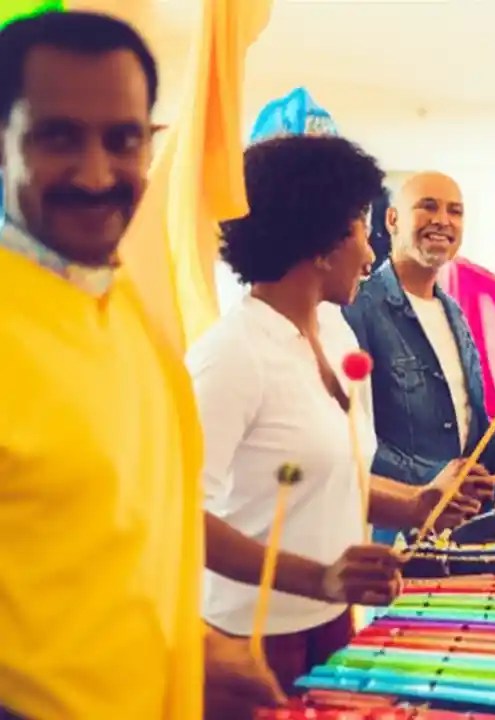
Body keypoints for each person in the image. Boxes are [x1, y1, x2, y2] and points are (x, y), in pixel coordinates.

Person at [0, 11, 280, 718]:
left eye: (124, 140)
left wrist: (187, 651)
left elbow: (118, 543)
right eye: (58, 137)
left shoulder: (125, 306)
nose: (98, 175)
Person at [190, 135, 493, 691]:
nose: (372, 252)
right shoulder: (230, 357)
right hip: (250, 643)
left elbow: (333, 477)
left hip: (329, 623)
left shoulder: (334, 331)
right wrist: (322, 577)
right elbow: (181, 520)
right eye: (360, 228)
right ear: (323, 243)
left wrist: (419, 504)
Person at [343, 172, 495, 544]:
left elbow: (471, 433)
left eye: (455, 211)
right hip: (391, 533)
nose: (443, 221)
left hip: (460, 530)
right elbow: (352, 439)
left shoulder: (455, 314)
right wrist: (434, 483)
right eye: (427, 206)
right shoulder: (357, 310)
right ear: (393, 220)